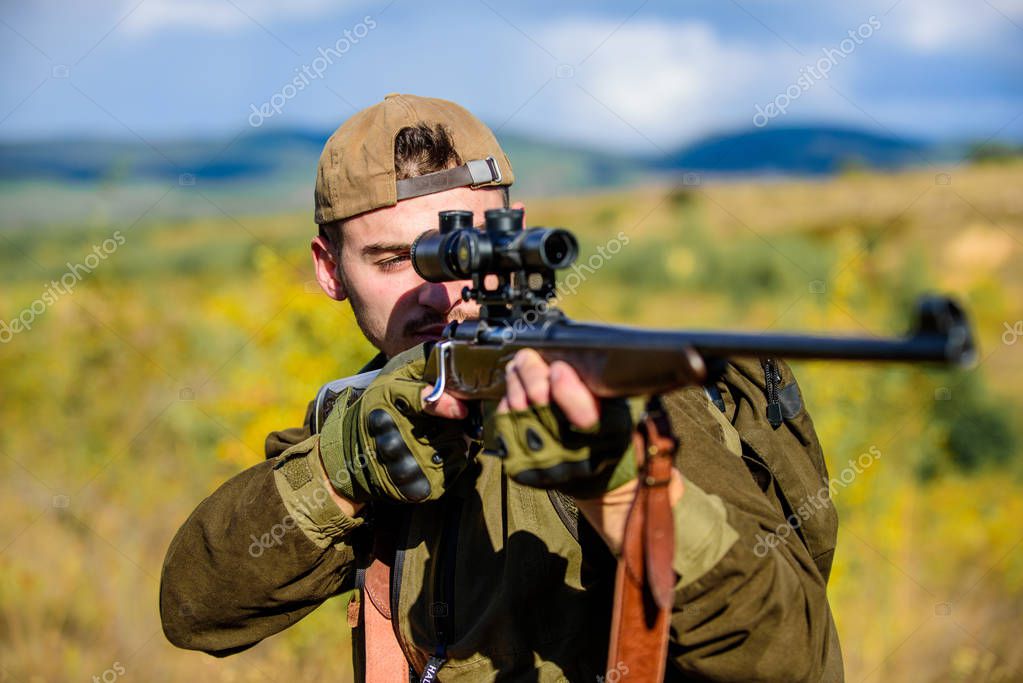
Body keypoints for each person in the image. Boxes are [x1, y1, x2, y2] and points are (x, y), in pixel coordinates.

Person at [160, 93, 844, 681]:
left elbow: (791, 660)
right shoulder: (375, 407)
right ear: (328, 269)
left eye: (471, 247)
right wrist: (341, 471)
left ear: (514, 241)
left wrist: (617, 486)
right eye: (394, 259)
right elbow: (196, 607)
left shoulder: (625, 399)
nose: (443, 289)